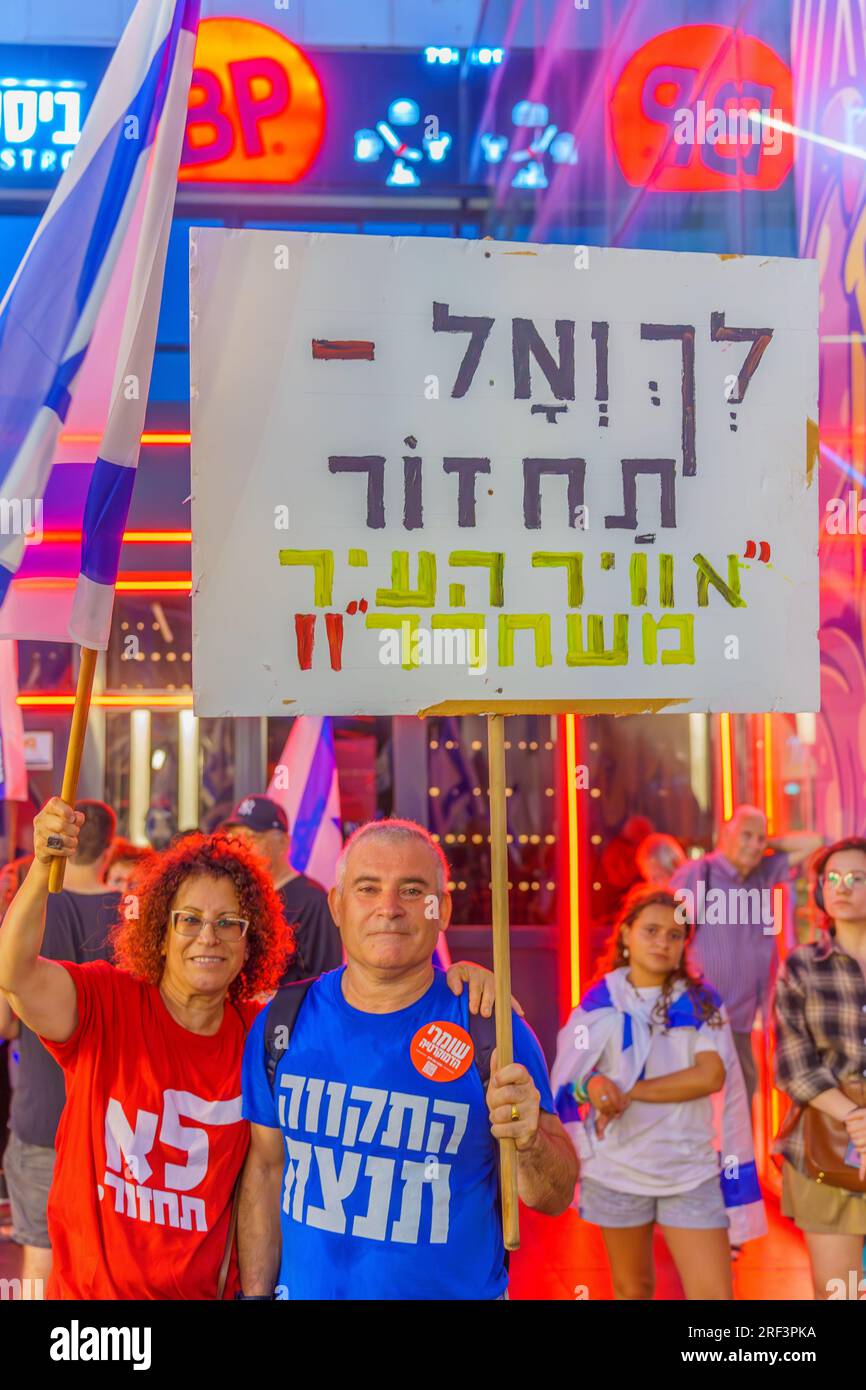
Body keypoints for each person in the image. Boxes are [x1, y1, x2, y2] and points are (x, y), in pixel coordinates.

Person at [0, 798, 508, 1299]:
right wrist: (42, 868)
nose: (209, 938)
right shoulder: (106, 1003)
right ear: (159, 931)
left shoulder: (267, 1031)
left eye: (229, 923)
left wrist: (450, 986)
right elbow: (15, 973)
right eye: (190, 919)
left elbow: (367, 1010)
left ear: (251, 942)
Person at [237, 818, 578, 1300]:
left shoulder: (492, 1029)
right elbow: (268, 1170)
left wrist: (529, 1141)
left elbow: (555, 1195)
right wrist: (254, 1295)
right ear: (336, 904)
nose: (390, 908)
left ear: (443, 910)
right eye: (368, 888)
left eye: (413, 890)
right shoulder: (281, 1022)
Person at [552, 885, 765, 1301]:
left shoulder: (702, 1003)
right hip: (615, 1168)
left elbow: (709, 1076)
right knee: (633, 1290)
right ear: (626, 933)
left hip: (690, 1167)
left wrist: (626, 1092)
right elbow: (567, 1080)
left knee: (714, 1294)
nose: (663, 942)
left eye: (675, 935)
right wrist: (591, 1083)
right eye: (651, 930)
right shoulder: (597, 1004)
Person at [0, 799, 120, 1298]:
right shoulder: (133, 915)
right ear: (110, 847)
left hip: (43, 1115)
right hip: (114, 1125)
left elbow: (5, 1023)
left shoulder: (28, 913)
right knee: (110, 1260)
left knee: (39, 1257)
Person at [669, 805, 822, 1110]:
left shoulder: (762, 873)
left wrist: (768, 843)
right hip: (697, 1020)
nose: (754, 844)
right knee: (696, 1110)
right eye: (746, 835)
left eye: (760, 838)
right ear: (725, 834)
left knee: (738, 1109)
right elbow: (670, 936)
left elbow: (815, 843)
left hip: (740, 1022)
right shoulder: (698, 873)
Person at [773, 837, 866, 1299]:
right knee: (839, 1295)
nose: (842, 887)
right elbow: (794, 1066)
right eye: (832, 878)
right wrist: (855, 1118)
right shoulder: (802, 966)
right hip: (826, 1141)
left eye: (856, 878)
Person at [222, 794, 342, 982]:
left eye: (252, 837)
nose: (242, 846)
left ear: (283, 842)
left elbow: (324, 980)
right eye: (235, 838)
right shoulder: (236, 895)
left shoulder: (313, 901)